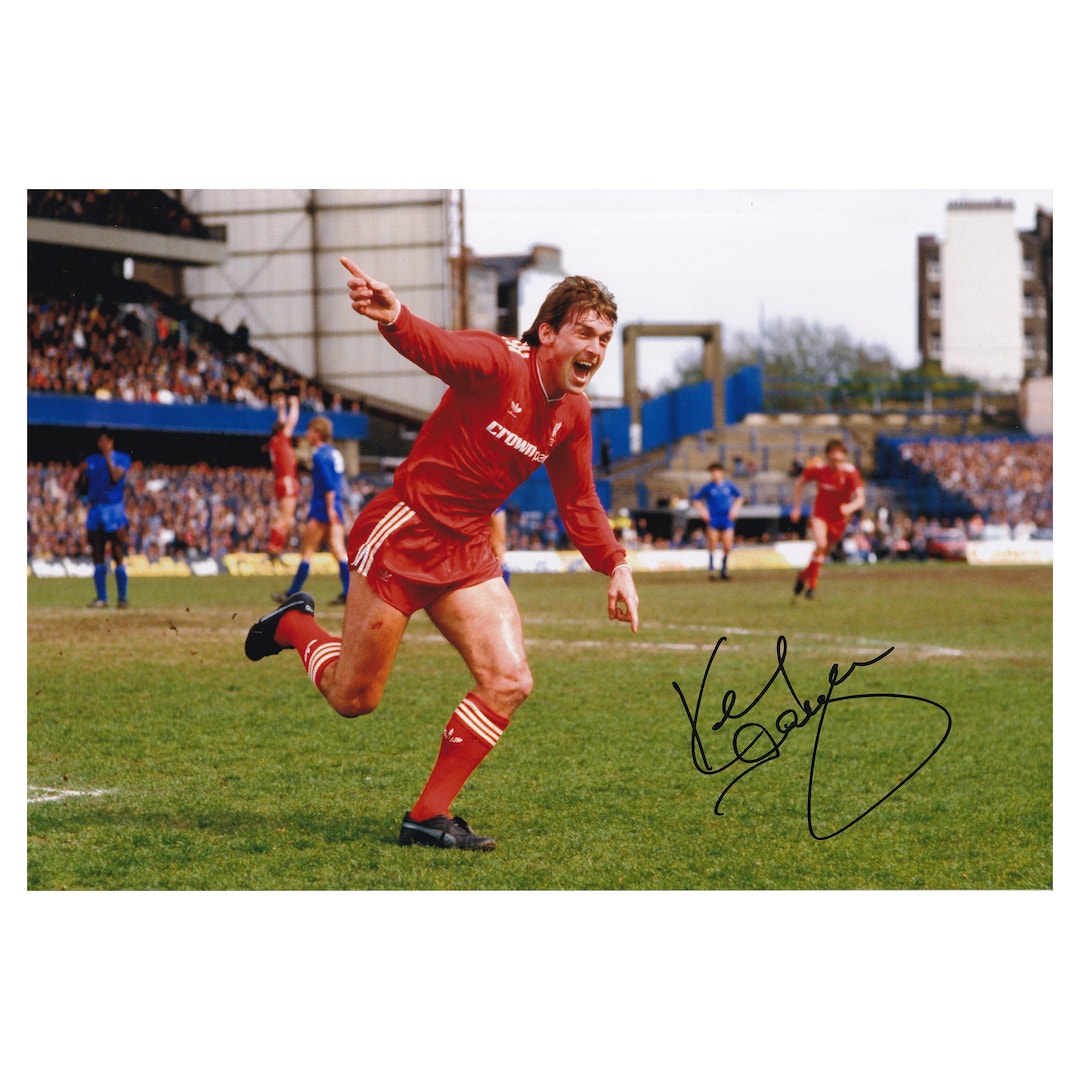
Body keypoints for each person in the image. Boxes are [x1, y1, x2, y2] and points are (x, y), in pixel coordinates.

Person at [245, 257, 640, 851]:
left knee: (509, 680)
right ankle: (294, 625)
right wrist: (395, 317)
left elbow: (580, 498)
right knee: (354, 699)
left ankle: (428, 815)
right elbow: (441, 350)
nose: (596, 348)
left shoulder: (574, 413)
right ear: (547, 332)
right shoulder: (499, 361)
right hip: (404, 534)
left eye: (605, 339)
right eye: (585, 333)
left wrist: (617, 565)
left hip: (467, 550)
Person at [275, 415, 351, 605]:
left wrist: (329, 508)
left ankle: (292, 592)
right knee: (339, 550)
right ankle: (348, 592)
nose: (306, 434)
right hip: (336, 506)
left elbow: (328, 484)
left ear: (318, 433)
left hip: (322, 507)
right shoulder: (334, 453)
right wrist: (334, 508)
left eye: (309, 431)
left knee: (307, 551)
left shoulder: (319, 455)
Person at [789, 437, 866, 599]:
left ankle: (803, 576)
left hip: (838, 519)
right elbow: (799, 483)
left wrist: (849, 507)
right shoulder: (819, 469)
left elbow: (861, 499)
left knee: (822, 552)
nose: (837, 463)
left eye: (840, 460)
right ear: (828, 457)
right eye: (833, 460)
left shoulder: (851, 472)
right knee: (821, 544)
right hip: (820, 515)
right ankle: (812, 586)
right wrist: (796, 507)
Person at [76, 428, 132, 608]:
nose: (103, 444)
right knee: (97, 552)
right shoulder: (91, 461)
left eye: (106, 441)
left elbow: (115, 477)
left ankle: (122, 597)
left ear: (111, 442)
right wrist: (80, 474)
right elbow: (81, 489)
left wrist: (108, 457)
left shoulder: (122, 459)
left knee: (117, 551)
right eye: (100, 441)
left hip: (114, 508)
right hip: (96, 508)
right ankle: (102, 598)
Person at [690, 462, 744, 581]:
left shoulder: (729, 486)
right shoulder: (708, 487)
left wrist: (735, 510)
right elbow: (696, 499)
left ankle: (724, 569)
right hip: (714, 518)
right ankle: (711, 569)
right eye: (712, 473)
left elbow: (740, 497)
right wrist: (703, 512)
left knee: (727, 545)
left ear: (722, 473)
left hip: (727, 518)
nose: (714, 475)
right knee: (713, 543)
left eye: (716, 472)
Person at [266, 393, 300, 563]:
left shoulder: (274, 443)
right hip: (287, 480)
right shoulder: (281, 439)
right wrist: (294, 405)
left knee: (284, 518)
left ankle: (275, 550)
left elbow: (282, 422)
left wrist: (281, 407)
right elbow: (291, 422)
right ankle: (273, 549)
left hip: (281, 481)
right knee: (286, 519)